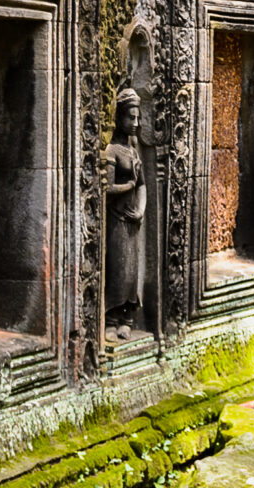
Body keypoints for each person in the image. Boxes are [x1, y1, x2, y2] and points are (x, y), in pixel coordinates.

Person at [104, 88, 148, 336]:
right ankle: (110, 319)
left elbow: (142, 185)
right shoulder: (113, 151)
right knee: (117, 268)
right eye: (131, 117)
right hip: (116, 219)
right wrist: (127, 187)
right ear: (119, 117)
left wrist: (141, 210)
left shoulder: (133, 152)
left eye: (137, 118)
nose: (135, 123)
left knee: (131, 270)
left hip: (132, 222)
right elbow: (107, 189)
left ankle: (127, 318)